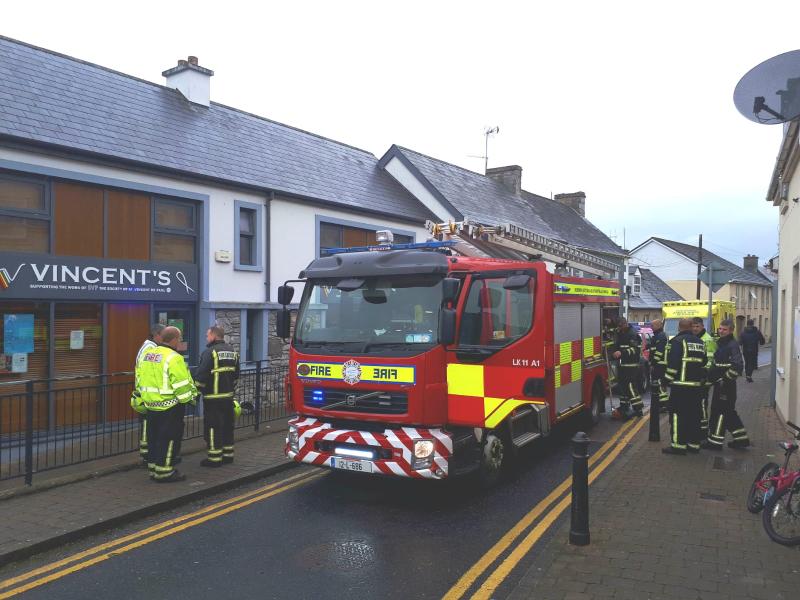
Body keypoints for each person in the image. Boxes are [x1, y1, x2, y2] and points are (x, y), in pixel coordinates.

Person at [136, 326, 196, 482]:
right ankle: (165, 472)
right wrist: (190, 399)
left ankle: (153, 469)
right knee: (168, 439)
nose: (180, 342)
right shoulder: (174, 357)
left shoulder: (148, 355)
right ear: (174, 339)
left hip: (150, 405)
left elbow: (140, 378)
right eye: (180, 339)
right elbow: (181, 385)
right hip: (170, 407)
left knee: (153, 439)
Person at [193, 326, 240, 467]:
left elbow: (201, 377)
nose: (207, 338)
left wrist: (195, 395)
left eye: (208, 335)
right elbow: (236, 375)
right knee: (227, 426)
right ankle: (228, 455)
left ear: (214, 336)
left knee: (213, 428)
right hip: (228, 398)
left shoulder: (209, 353)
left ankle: (214, 458)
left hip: (213, 399)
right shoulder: (232, 351)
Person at [663, 318, 707, 455]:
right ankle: (693, 445)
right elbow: (704, 362)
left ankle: (678, 446)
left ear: (679, 327)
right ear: (691, 327)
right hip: (696, 387)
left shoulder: (677, 342)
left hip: (680, 387)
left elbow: (673, 365)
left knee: (677, 416)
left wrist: (665, 381)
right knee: (694, 416)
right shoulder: (701, 343)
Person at [705, 320, 750, 449]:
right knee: (729, 413)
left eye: (724, 329)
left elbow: (738, 366)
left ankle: (715, 442)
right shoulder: (721, 343)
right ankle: (742, 439)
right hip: (720, 385)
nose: (721, 331)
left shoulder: (732, 344)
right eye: (720, 329)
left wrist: (724, 380)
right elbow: (717, 364)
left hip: (726, 387)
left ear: (731, 330)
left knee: (720, 413)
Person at [132, 324, 165, 471]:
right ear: (156, 334)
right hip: (147, 393)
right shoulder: (150, 348)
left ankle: (147, 454)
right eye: (163, 335)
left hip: (144, 391)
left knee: (147, 425)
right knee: (147, 425)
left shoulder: (147, 346)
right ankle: (147, 456)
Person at [611, 317, 643, 419]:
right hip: (623, 366)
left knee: (630, 387)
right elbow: (617, 345)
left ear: (625, 324)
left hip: (631, 367)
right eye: (618, 327)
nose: (619, 329)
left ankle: (638, 409)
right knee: (623, 388)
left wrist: (622, 353)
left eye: (621, 326)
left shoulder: (632, 334)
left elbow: (635, 350)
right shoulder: (621, 333)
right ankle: (624, 407)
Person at [691, 317, 716, 439]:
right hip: (695, 378)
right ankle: (696, 429)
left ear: (702, 327)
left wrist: (704, 375)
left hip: (704, 378)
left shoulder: (707, 340)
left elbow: (710, 360)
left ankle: (703, 432)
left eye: (697, 326)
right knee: (695, 406)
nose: (695, 329)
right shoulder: (694, 338)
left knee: (702, 405)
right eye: (693, 326)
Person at [648, 318, 669, 414]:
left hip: (660, 365)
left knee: (660, 385)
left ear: (658, 326)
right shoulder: (658, 336)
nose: (651, 327)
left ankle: (663, 405)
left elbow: (659, 352)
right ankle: (661, 404)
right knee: (659, 385)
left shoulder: (661, 336)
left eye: (652, 325)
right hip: (659, 364)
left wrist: (653, 363)